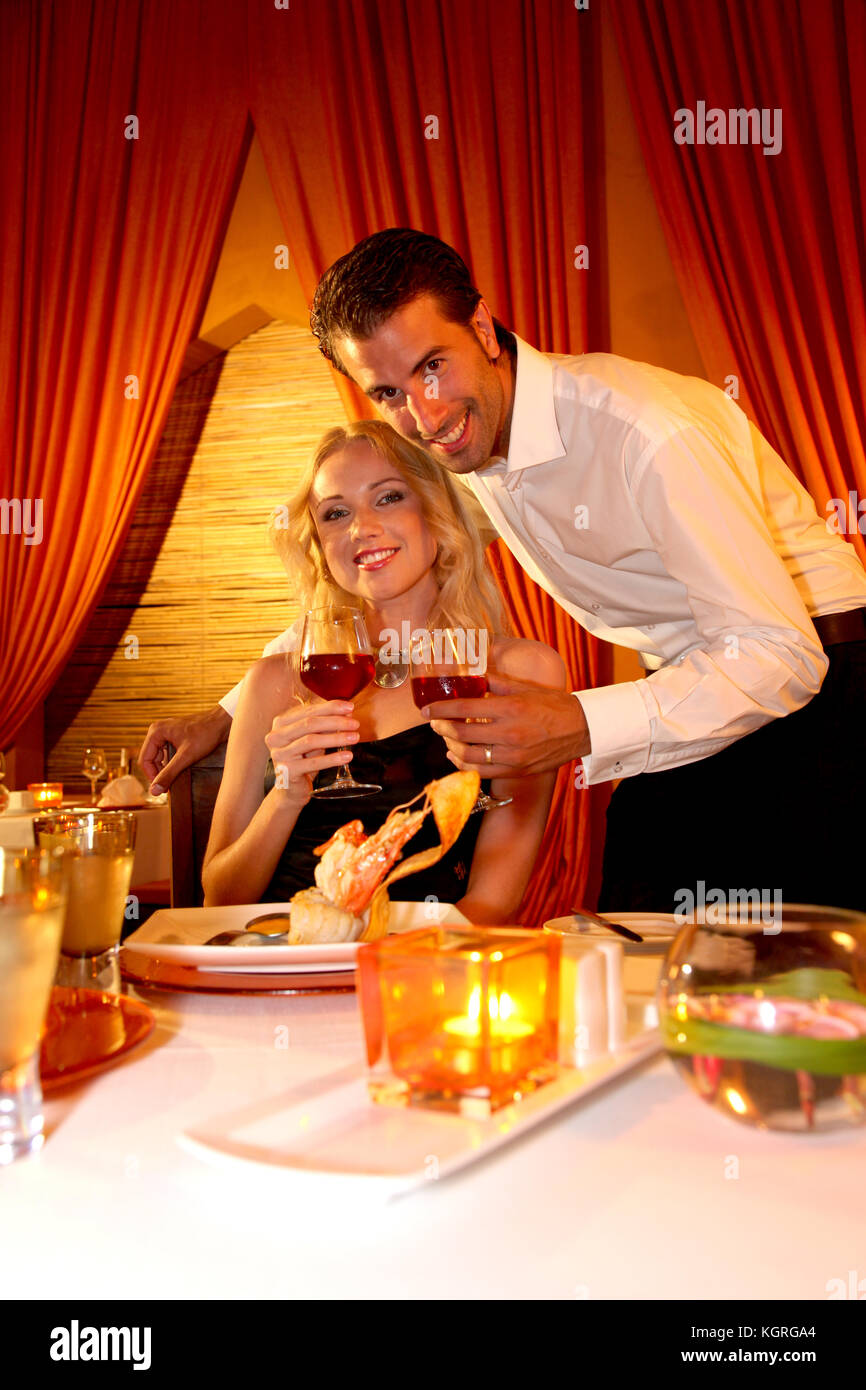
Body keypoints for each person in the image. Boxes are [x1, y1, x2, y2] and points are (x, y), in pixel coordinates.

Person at [142, 228, 866, 911]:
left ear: (485, 329)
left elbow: (781, 653)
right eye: (388, 393)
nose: (423, 416)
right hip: (692, 685)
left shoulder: (645, 431)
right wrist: (226, 714)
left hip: (826, 687)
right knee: (641, 940)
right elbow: (367, 569)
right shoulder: (462, 450)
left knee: (805, 989)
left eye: (432, 366)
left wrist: (577, 721)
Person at [200, 419, 564, 918]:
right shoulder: (274, 681)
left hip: (425, 970)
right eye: (335, 513)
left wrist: (376, 967)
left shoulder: (521, 673)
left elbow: (493, 903)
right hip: (277, 963)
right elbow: (220, 896)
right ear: (323, 552)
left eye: (389, 497)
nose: (359, 527)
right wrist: (285, 795)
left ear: (436, 513)